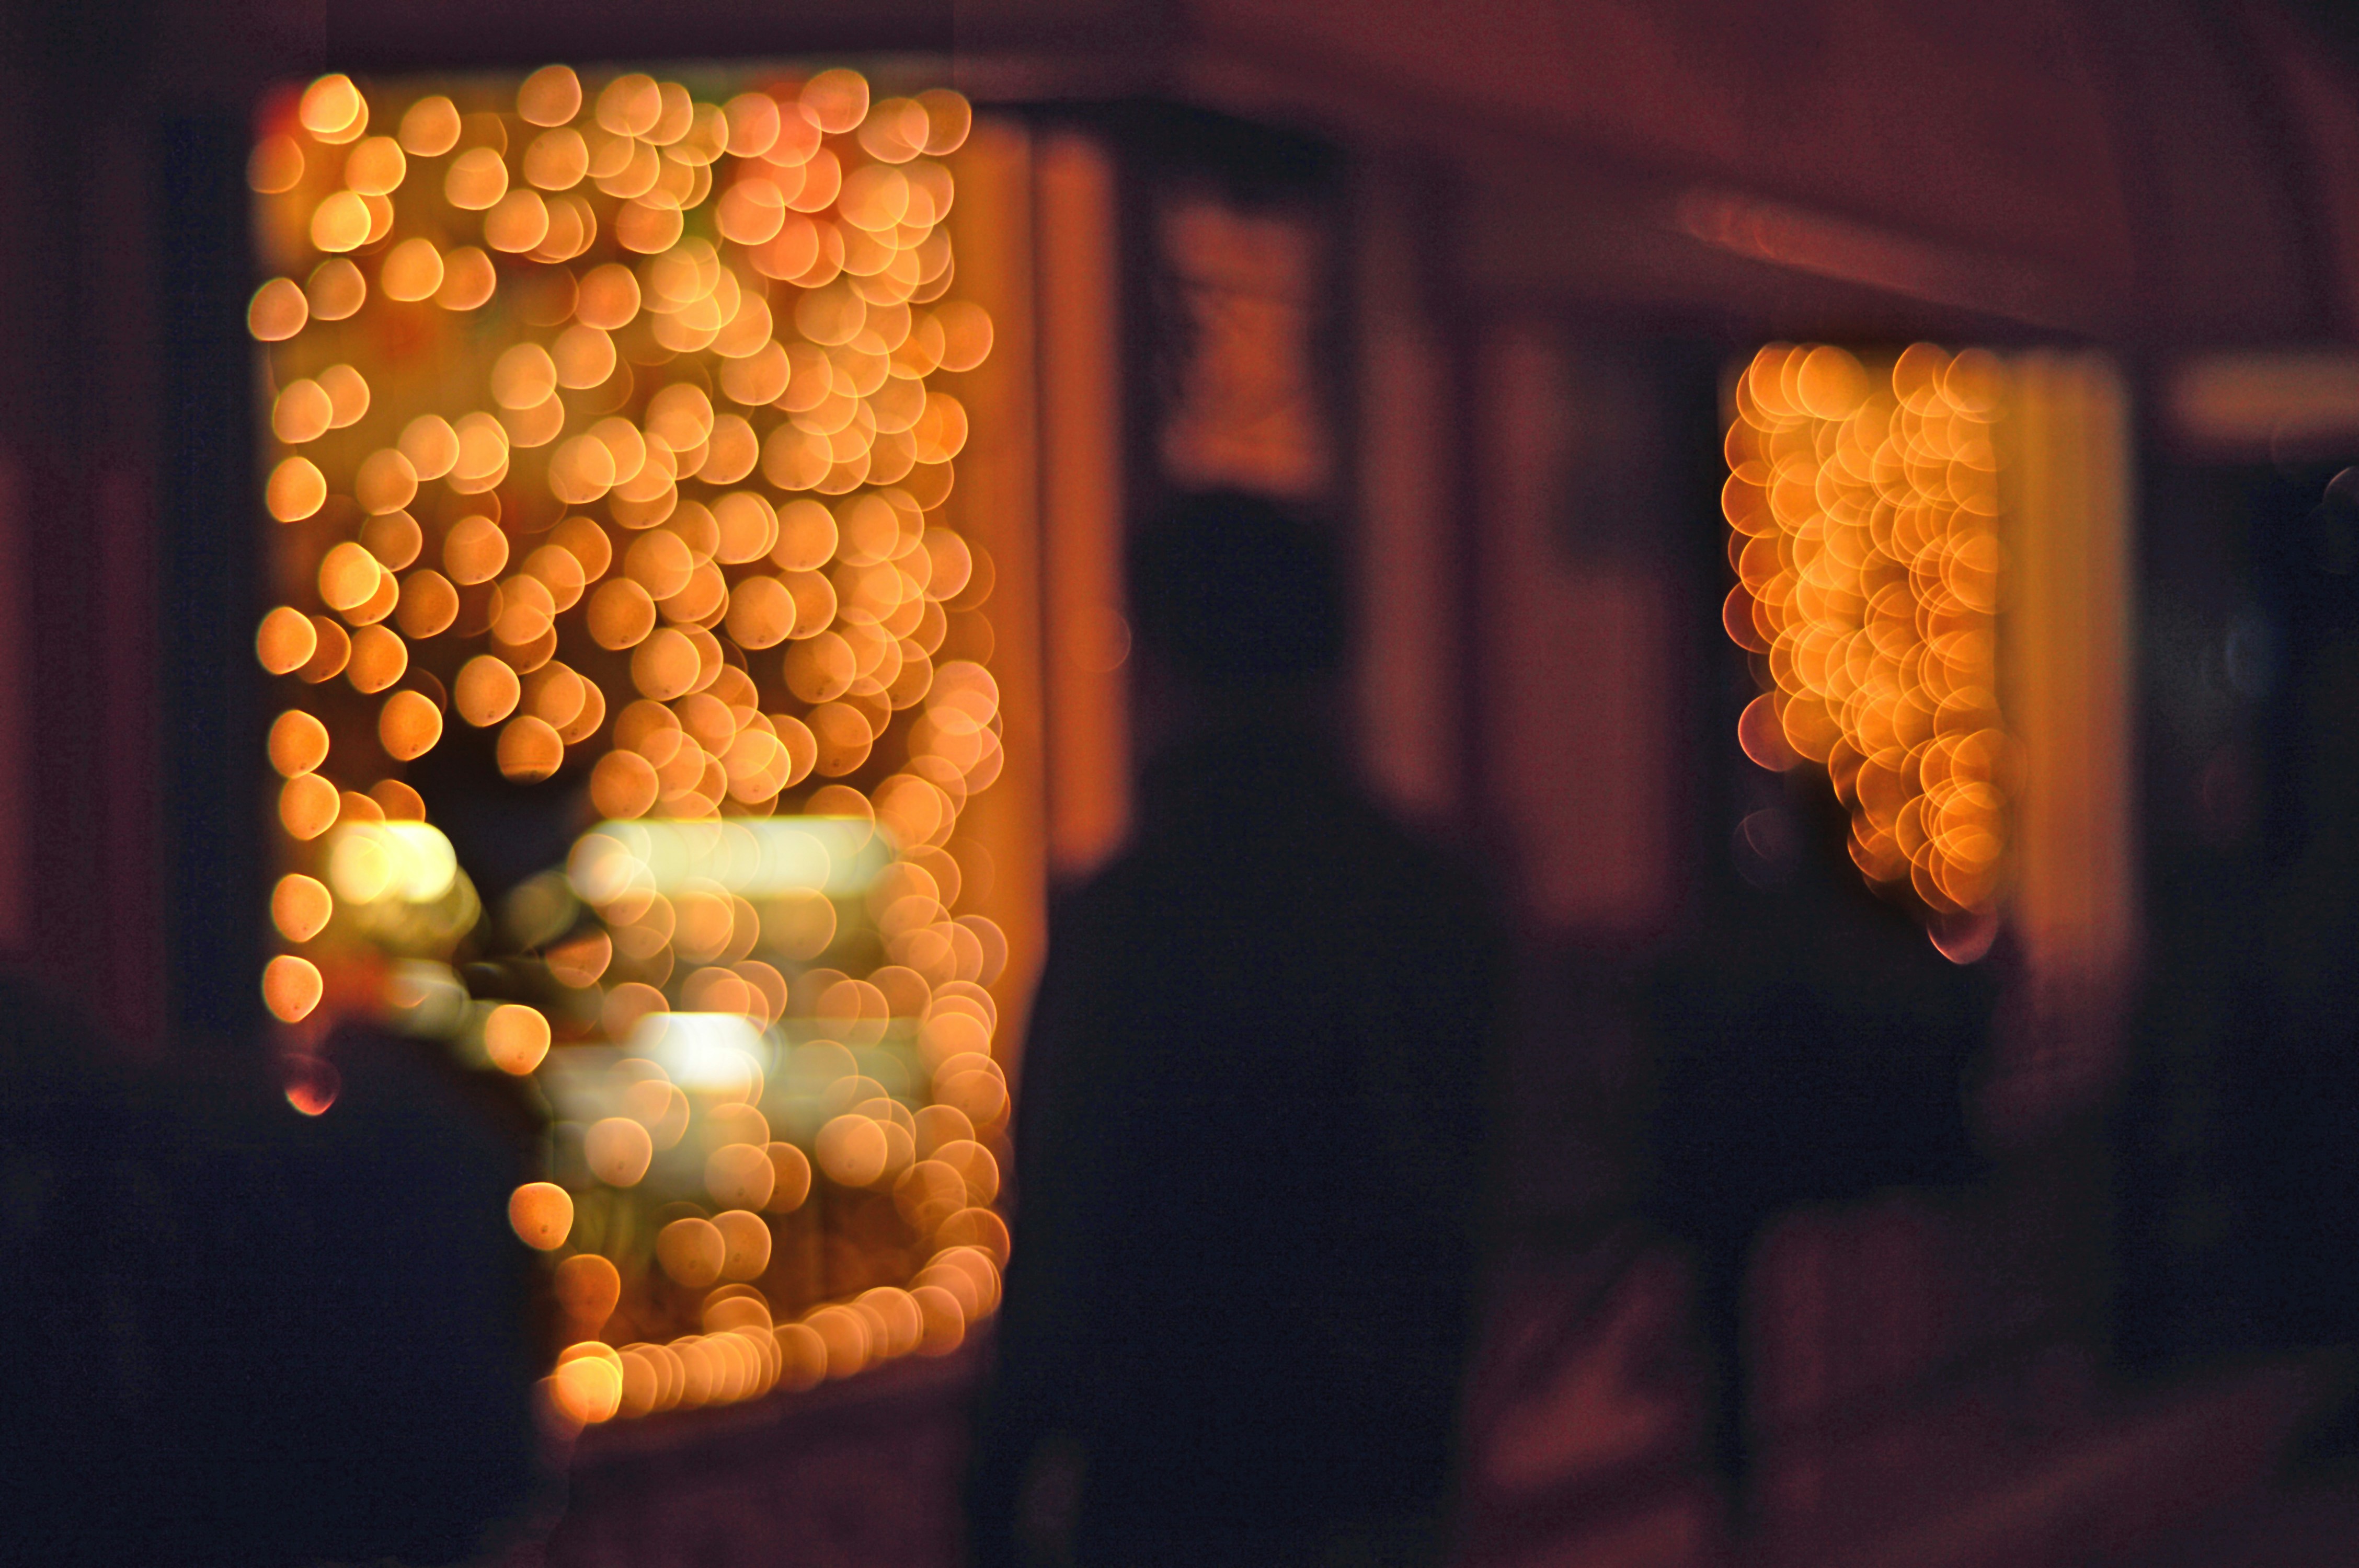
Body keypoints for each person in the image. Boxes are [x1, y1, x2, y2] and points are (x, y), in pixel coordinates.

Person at [968, 491, 1501, 1568]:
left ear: (1163, 660)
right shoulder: (1428, 897)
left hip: (1182, 1482)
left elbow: (1071, 1214)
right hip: (1387, 1470)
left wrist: (999, 1484)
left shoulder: (1145, 910)